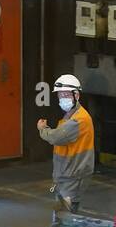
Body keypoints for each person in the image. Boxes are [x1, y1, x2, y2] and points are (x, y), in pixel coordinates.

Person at [37, 73, 95, 213]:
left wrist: (43, 129)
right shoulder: (70, 116)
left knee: (64, 214)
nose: (62, 98)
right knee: (62, 213)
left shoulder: (78, 120)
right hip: (67, 175)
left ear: (76, 95)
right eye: (60, 95)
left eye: (66, 95)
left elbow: (56, 137)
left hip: (73, 176)